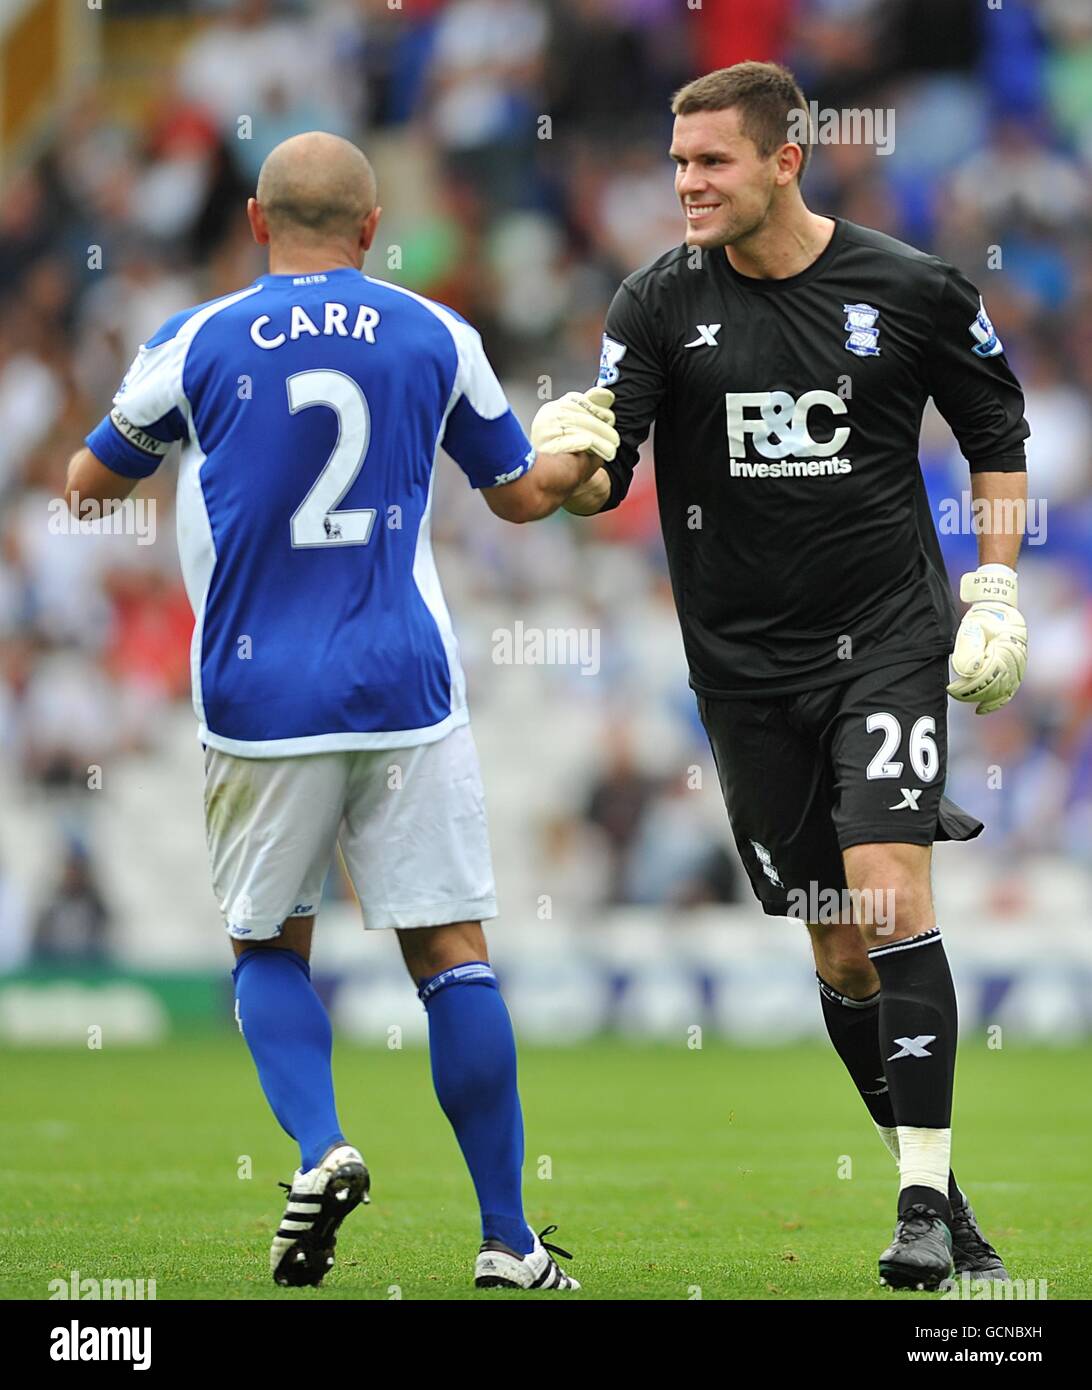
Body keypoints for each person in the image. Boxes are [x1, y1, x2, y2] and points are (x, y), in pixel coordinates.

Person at [65, 131, 618, 1292]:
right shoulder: (436, 332)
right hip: (404, 685)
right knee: (452, 954)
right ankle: (509, 1241)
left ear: (256, 222)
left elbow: (89, 483)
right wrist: (583, 461)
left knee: (268, 946)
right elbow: (523, 496)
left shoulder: (197, 338)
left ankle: (323, 1147)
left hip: (258, 692)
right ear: (373, 228)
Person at [531, 62, 1029, 1291]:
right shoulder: (656, 302)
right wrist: (569, 467)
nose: (687, 185)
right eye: (678, 163)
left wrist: (995, 585)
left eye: (712, 162)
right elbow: (606, 474)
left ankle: (916, 1208)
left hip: (888, 642)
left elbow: (996, 435)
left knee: (891, 893)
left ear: (784, 160)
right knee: (841, 950)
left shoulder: (910, 289)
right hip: (743, 670)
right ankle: (949, 1201)